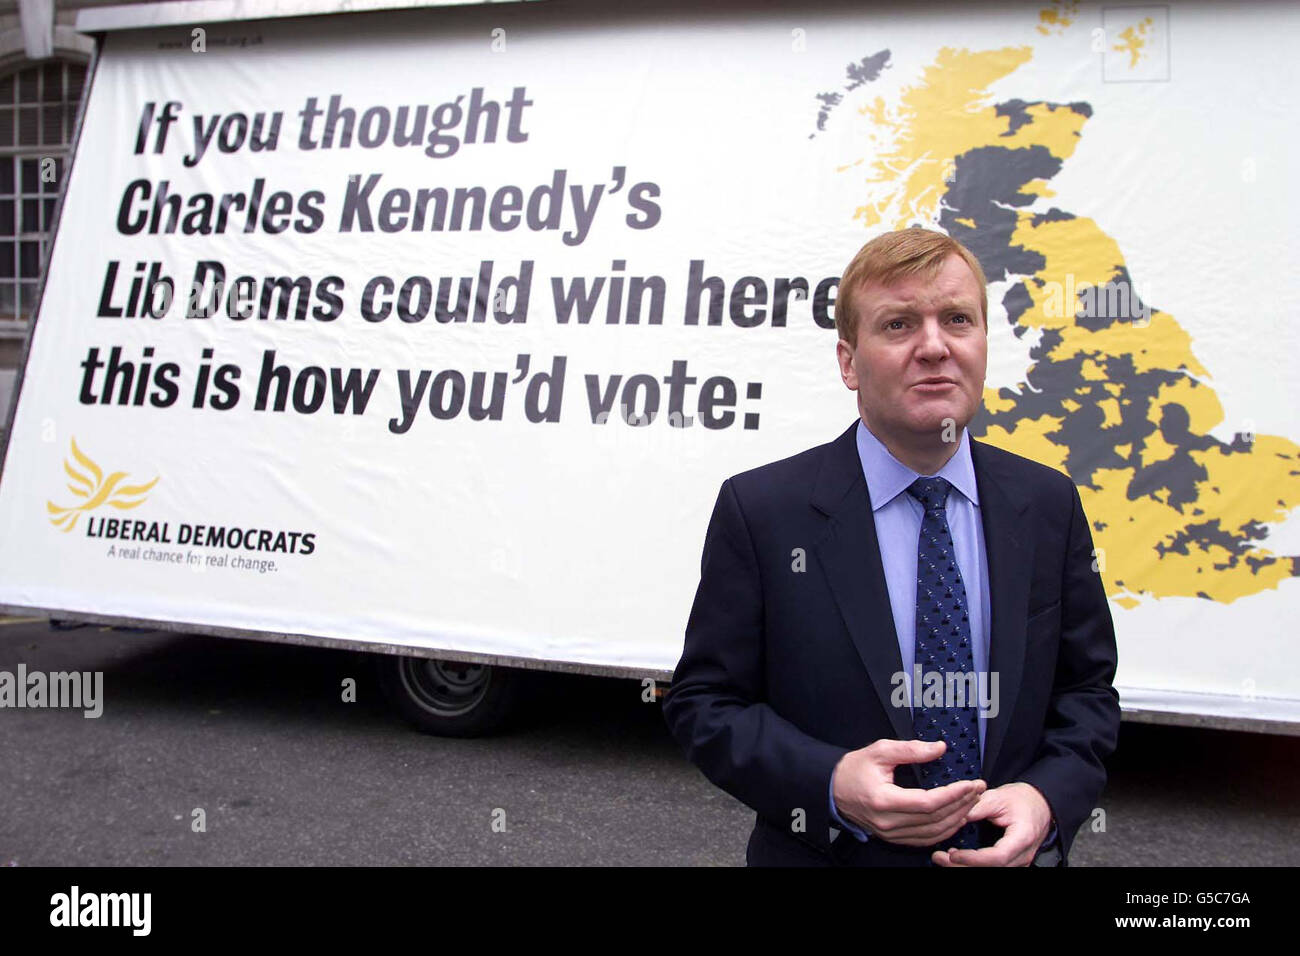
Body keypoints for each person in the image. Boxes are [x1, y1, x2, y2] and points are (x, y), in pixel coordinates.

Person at [662, 227, 1120, 867]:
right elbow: (704, 705)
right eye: (900, 325)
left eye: (957, 319)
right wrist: (831, 782)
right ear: (848, 362)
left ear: (984, 343)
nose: (935, 346)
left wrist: (1046, 801)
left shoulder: (1047, 504)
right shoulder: (763, 512)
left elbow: (1087, 694)